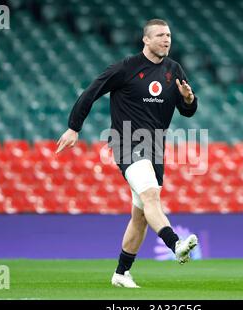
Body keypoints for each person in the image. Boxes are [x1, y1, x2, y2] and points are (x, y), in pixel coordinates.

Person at [55, 19, 198, 288]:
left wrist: (189, 99)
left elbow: (187, 110)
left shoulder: (173, 69)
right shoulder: (126, 67)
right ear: (146, 39)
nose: (166, 39)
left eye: (168, 35)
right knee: (151, 195)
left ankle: (121, 273)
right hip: (126, 143)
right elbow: (91, 92)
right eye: (160, 35)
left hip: (156, 147)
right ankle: (175, 244)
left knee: (141, 215)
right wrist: (74, 128)